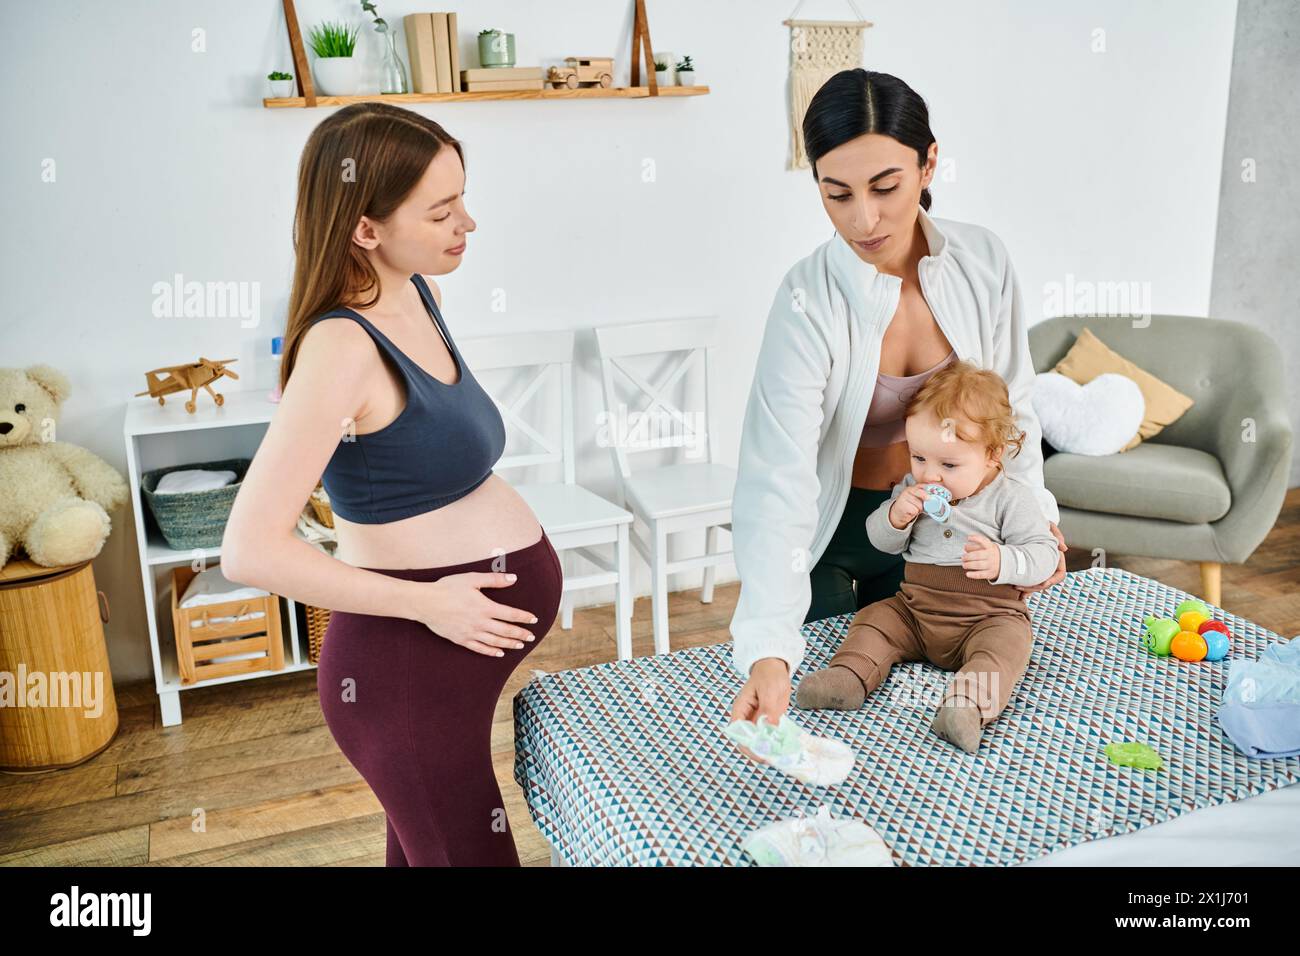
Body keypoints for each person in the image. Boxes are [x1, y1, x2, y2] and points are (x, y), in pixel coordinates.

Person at [221, 102, 563, 866]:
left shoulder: (417, 293)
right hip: (403, 676)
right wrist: (428, 602)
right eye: (442, 210)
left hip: (444, 669)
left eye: (463, 199)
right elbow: (247, 549)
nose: (467, 223)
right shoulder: (342, 345)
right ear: (365, 228)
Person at [728, 69, 1066, 736]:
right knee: (837, 698)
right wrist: (766, 647)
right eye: (837, 193)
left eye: (886, 187)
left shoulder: (983, 262)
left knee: (944, 698)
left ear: (928, 162)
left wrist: (1037, 519)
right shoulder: (807, 300)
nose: (864, 219)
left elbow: (1013, 412)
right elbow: (778, 478)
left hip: (944, 534)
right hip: (832, 533)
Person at [795, 360, 1060, 753]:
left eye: (948, 464)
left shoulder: (1011, 498)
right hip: (916, 611)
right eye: (919, 458)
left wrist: (1003, 561)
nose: (929, 476)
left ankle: (965, 707)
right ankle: (848, 676)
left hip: (987, 617)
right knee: (875, 619)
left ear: (993, 454)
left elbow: (1045, 554)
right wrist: (894, 517)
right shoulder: (912, 489)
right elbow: (882, 542)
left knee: (1006, 649)